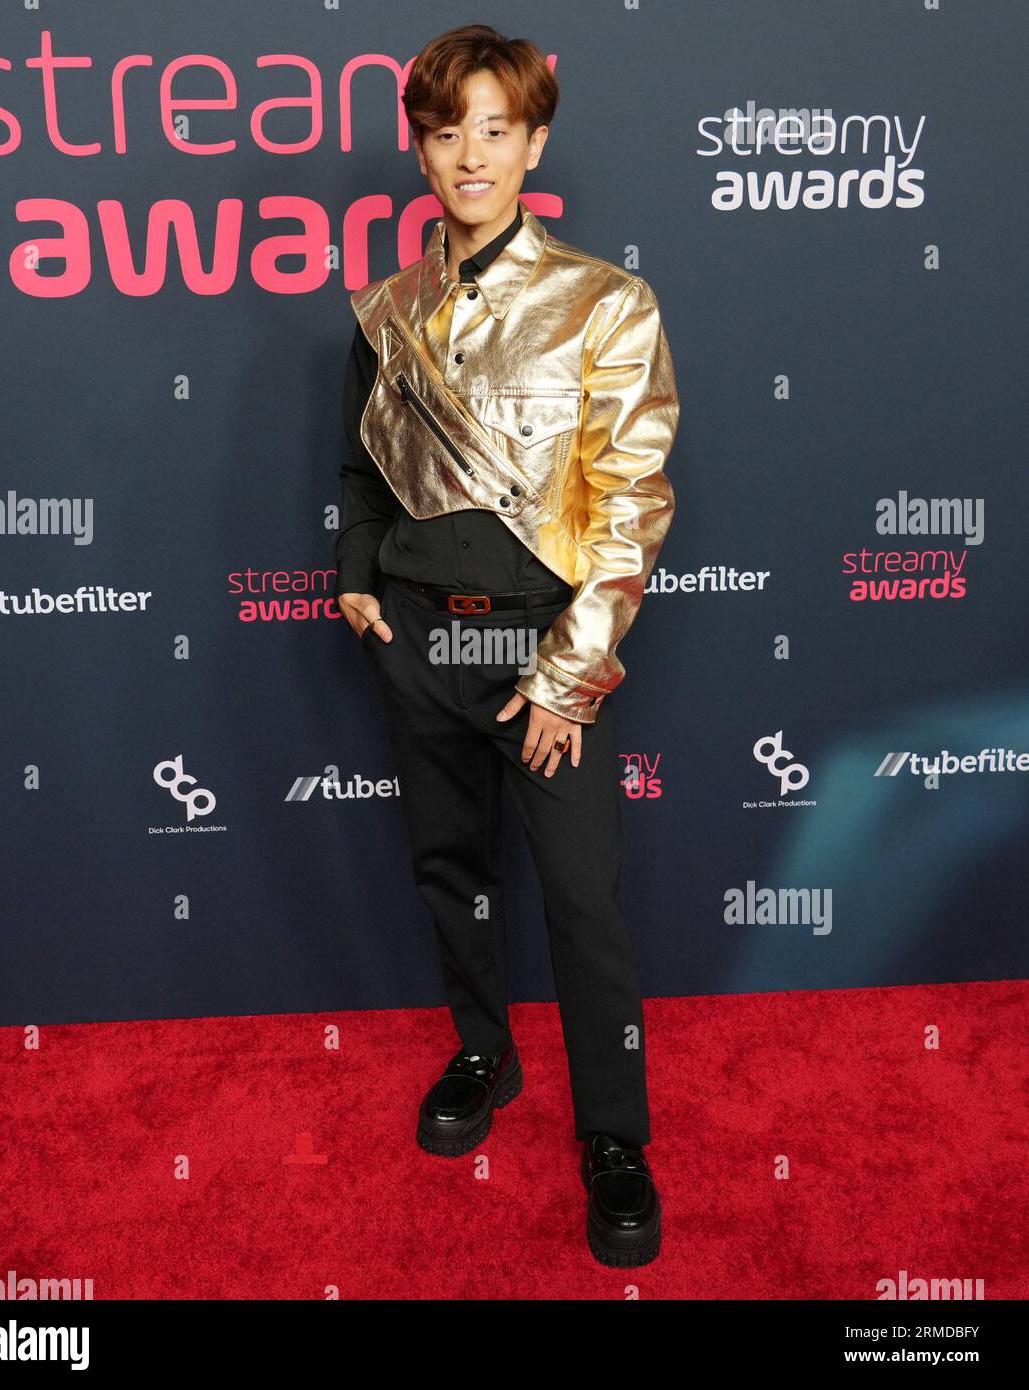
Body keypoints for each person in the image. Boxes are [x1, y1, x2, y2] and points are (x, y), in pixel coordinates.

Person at [333, 23, 680, 1268]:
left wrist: (566, 677)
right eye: (445, 131)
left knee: (581, 900)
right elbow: (360, 469)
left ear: (534, 143)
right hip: (418, 641)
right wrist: (357, 577)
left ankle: (613, 1134)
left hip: (547, 651)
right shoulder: (385, 309)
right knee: (449, 867)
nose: (468, 153)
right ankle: (483, 1050)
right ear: (418, 149)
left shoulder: (605, 301)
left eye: (494, 128)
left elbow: (631, 504)